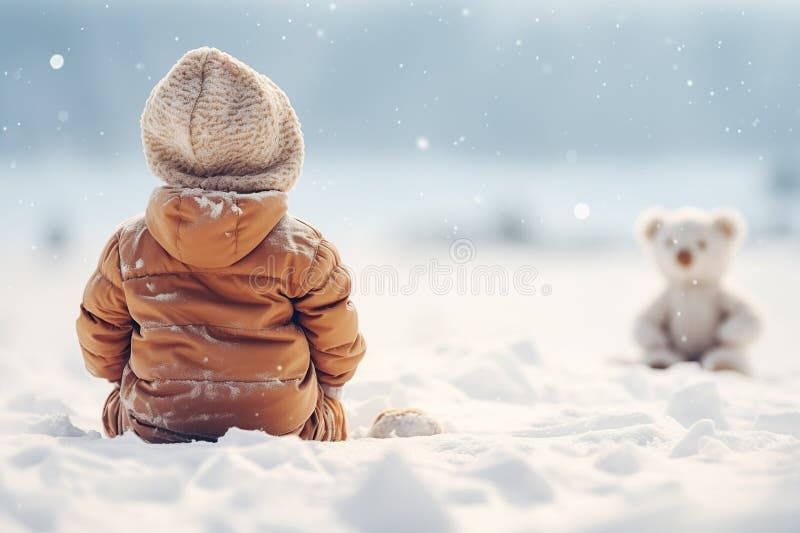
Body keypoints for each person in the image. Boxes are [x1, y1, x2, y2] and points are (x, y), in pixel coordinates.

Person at [76, 47, 365, 443]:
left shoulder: (129, 248)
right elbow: (337, 343)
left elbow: (100, 340)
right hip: (283, 430)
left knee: (118, 406)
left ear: (164, 149)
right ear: (276, 152)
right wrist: (328, 389)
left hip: (155, 425)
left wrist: (134, 378)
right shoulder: (303, 249)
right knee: (327, 413)